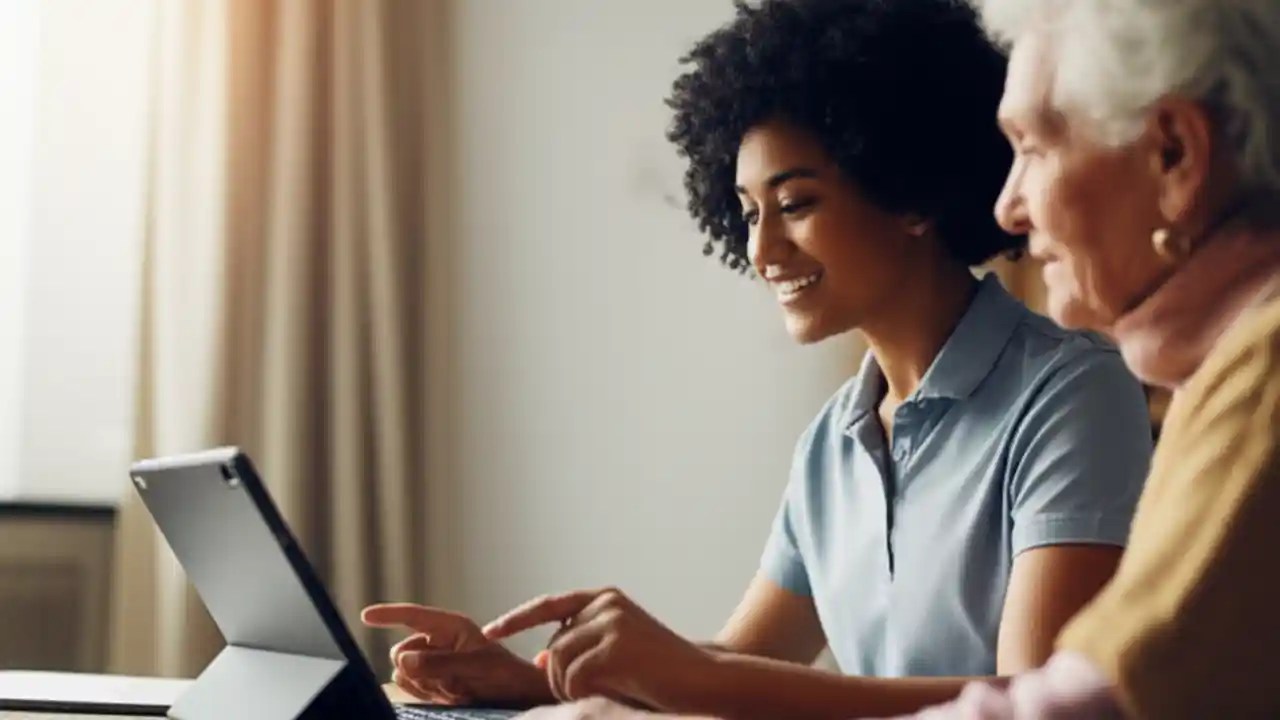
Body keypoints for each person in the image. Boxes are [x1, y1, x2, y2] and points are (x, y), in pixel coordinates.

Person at [365, 1, 1153, 717]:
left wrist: (690, 677)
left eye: (797, 203)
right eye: (747, 214)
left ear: (912, 190)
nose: (763, 250)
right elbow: (742, 663)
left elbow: (1039, 704)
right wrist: (532, 679)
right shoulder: (831, 445)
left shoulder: (1071, 391)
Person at [895, 0, 1280, 717]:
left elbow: (1093, 704)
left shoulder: (1266, 372)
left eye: (1034, 148)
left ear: (1175, 155)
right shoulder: (1220, 370)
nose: (1007, 207)